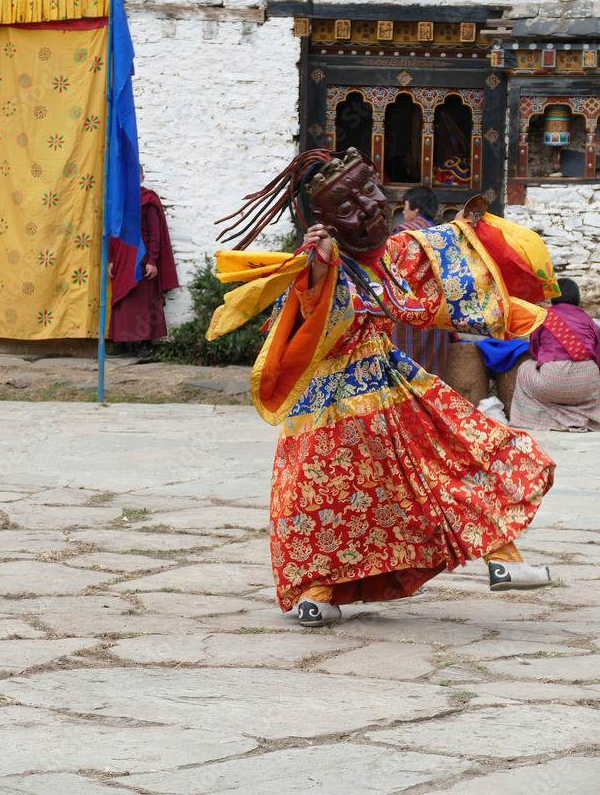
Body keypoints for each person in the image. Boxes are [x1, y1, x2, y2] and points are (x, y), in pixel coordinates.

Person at [208, 148, 555, 628]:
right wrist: (318, 264)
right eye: (345, 208)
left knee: (399, 474)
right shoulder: (324, 262)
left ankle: (502, 560)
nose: (366, 208)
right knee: (413, 473)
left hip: (375, 390)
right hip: (336, 401)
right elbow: (313, 309)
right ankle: (321, 590)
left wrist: (474, 234)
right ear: (324, 222)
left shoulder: (394, 253)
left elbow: (441, 263)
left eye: (368, 192)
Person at [108, 167, 179, 363]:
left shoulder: (148, 200)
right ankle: (123, 342)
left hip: (143, 257)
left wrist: (153, 261)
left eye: (134, 175)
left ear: (141, 177)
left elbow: (155, 234)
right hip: (122, 257)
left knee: (144, 303)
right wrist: (111, 260)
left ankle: (146, 344)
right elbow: (112, 232)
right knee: (122, 300)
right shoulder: (117, 202)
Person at [510, 277, 600, 431]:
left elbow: (535, 350)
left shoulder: (544, 315)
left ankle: (535, 419)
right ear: (577, 299)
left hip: (552, 381)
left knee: (524, 368)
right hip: (588, 385)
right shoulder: (587, 318)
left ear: (553, 296)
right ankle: (585, 418)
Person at [392, 186, 448, 377]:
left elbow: (390, 268)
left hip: (407, 310)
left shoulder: (403, 234)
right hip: (436, 310)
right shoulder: (442, 233)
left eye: (405, 206)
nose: (403, 211)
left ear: (415, 208)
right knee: (430, 367)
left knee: (403, 364)